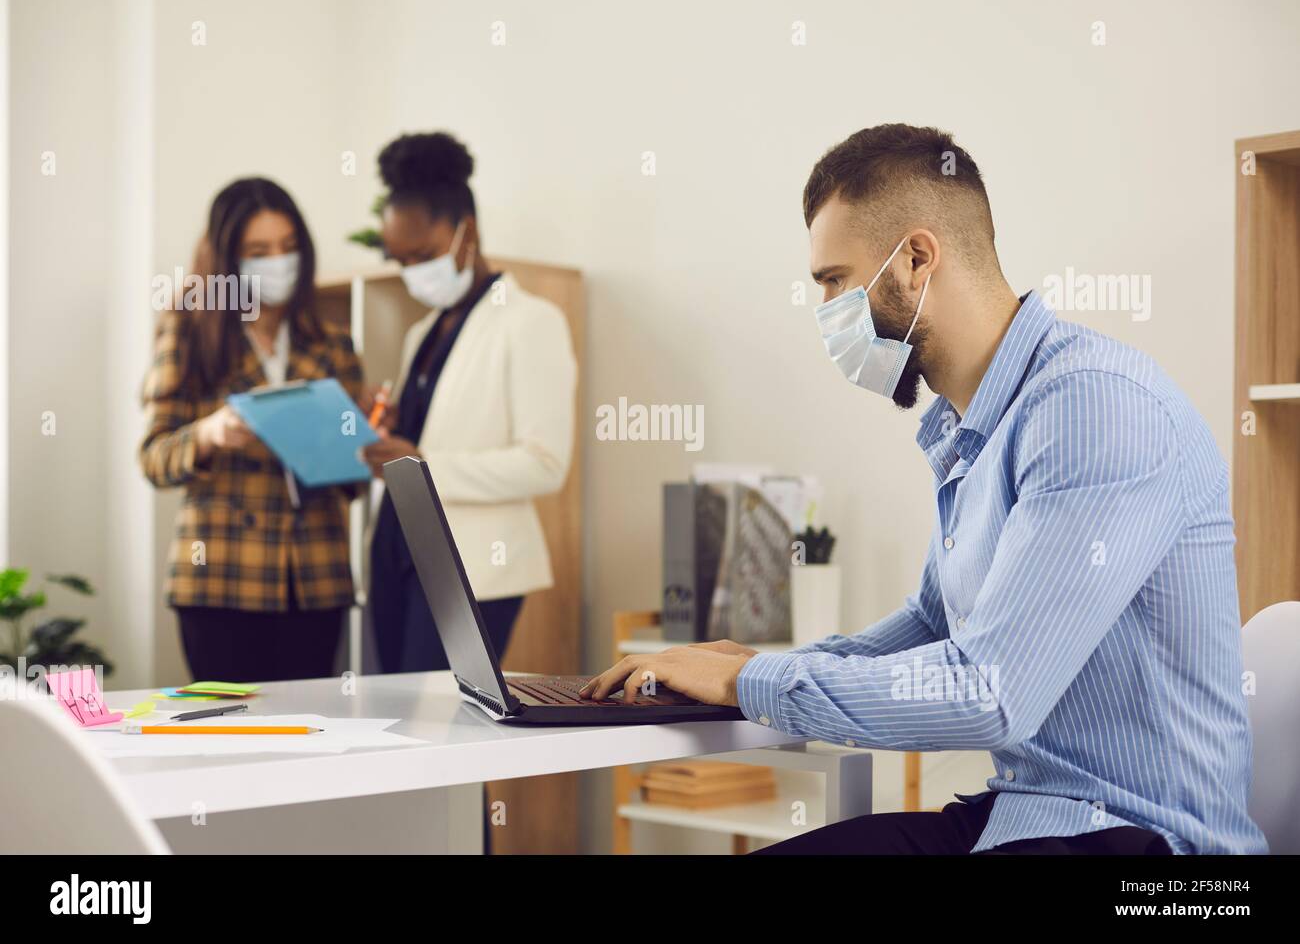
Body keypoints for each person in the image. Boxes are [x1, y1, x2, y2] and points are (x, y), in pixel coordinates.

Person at [581, 123, 1267, 855]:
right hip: (1024, 816)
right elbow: (932, 623)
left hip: (1150, 846)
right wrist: (753, 667)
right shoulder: (970, 428)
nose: (824, 313)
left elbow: (989, 693)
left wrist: (757, 686)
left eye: (833, 282)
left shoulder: (1092, 409)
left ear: (916, 258)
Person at [362, 132, 576, 673]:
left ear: (468, 233)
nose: (413, 272)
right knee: (393, 725)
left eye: (424, 255)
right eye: (401, 259)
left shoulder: (531, 322)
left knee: (441, 737)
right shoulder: (423, 332)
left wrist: (424, 468)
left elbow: (545, 464)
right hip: (396, 552)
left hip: (474, 567)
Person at [140, 178, 365, 683]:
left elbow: (354, 481)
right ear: (227, 258)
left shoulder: (331, 342)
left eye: (288, 247)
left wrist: (360, 440)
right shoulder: (190, 329)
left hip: (315, 578)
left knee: (313, 737)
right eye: (259, 250)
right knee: (231, 741)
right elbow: (153, 456)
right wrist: (209, 433)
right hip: (220, 578)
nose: (277, 261)